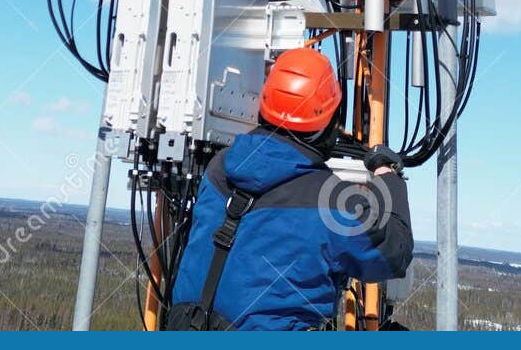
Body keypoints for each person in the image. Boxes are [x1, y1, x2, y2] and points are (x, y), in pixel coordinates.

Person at [165, 47, 413, 330]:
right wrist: (388, 177)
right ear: (330, 123)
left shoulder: (218, 169)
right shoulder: (332, 202)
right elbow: (396, 252)